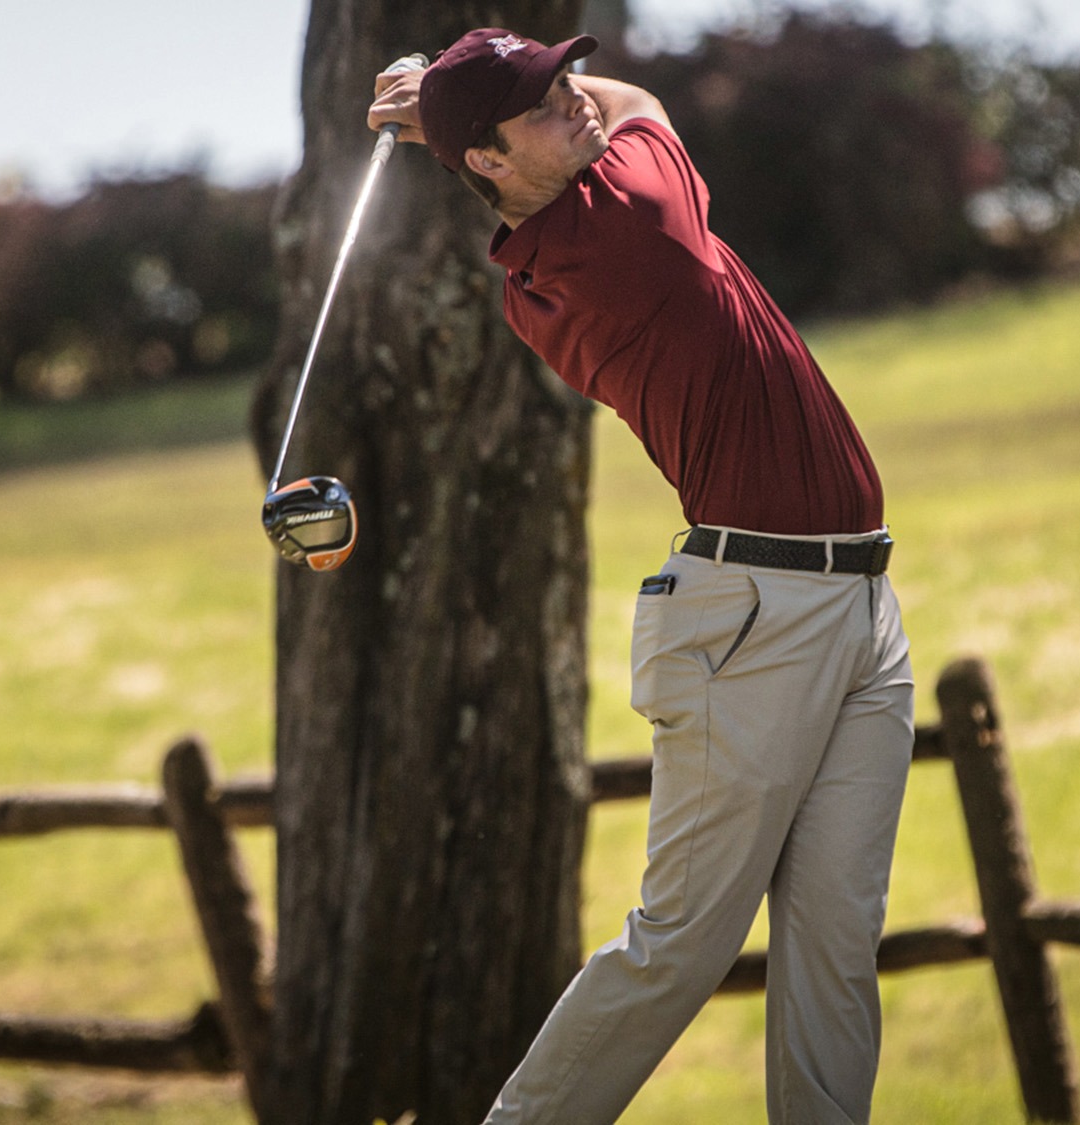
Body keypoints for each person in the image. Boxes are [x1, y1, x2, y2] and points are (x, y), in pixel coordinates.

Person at [369, 28, 916, 1125]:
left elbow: (605, 105)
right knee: (680, 944)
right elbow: (641, 99)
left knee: (834, 944)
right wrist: (433, 94)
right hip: (753, 621)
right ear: (486, 162)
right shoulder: (622, 225)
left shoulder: (544, 254)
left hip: (851, 603)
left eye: (562, 76)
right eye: (538, 102)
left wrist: (443, 101)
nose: (572, 98)